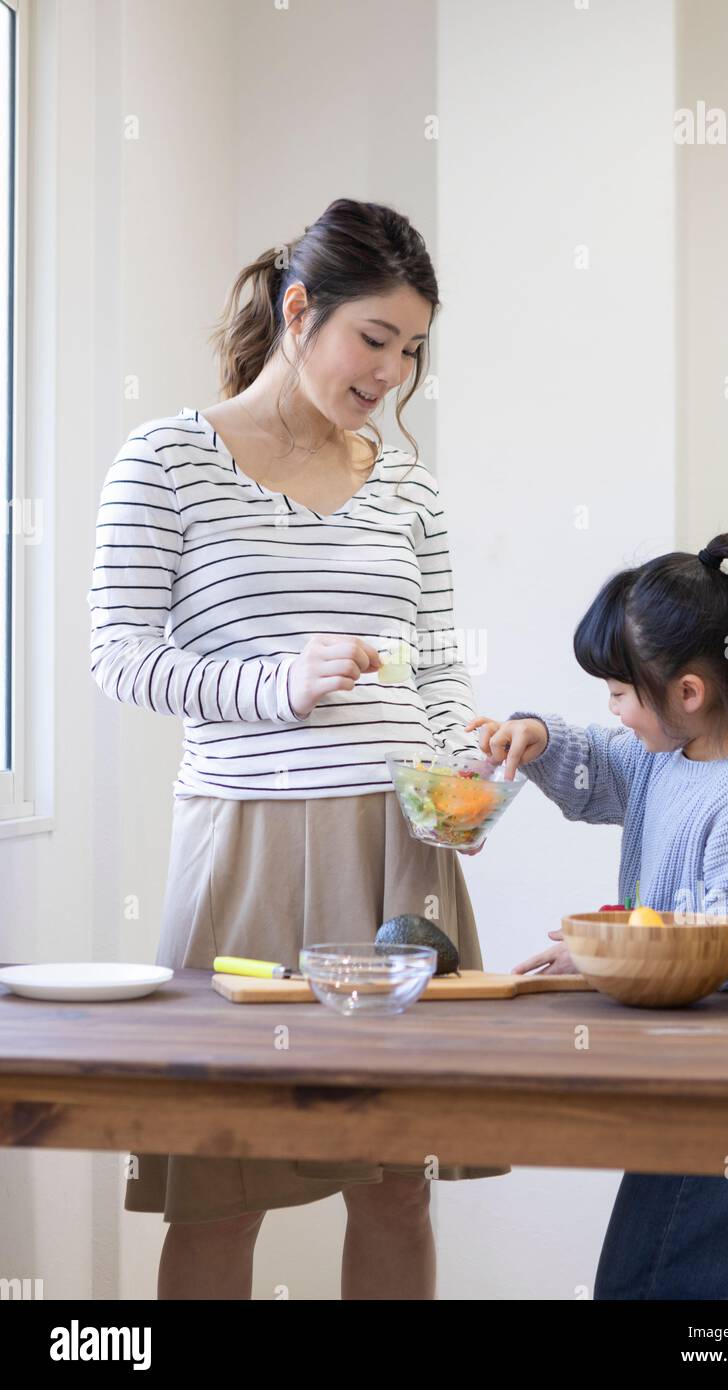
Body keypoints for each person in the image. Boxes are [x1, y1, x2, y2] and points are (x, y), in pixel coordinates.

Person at [87, 197, 505, 1301]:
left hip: (402, 853)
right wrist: (273, 682)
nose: (392, 373)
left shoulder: (406, 486)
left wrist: (466, 765)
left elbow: (437, 669)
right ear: (298, 308)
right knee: (223, 1184)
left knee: (396, 1180)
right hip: (246, 846)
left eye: (411, 349)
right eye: (375, 339)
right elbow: (118, 656)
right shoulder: (168, 458)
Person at [467, 532, 728, 1299]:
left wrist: (616, 952)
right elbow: (602, 765)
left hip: (727, 1095)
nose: (612, 712)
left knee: (647, 1283)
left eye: (620, 693)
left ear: (687, 692)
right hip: (696, 1082)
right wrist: (538, 737)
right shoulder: (668, 759)